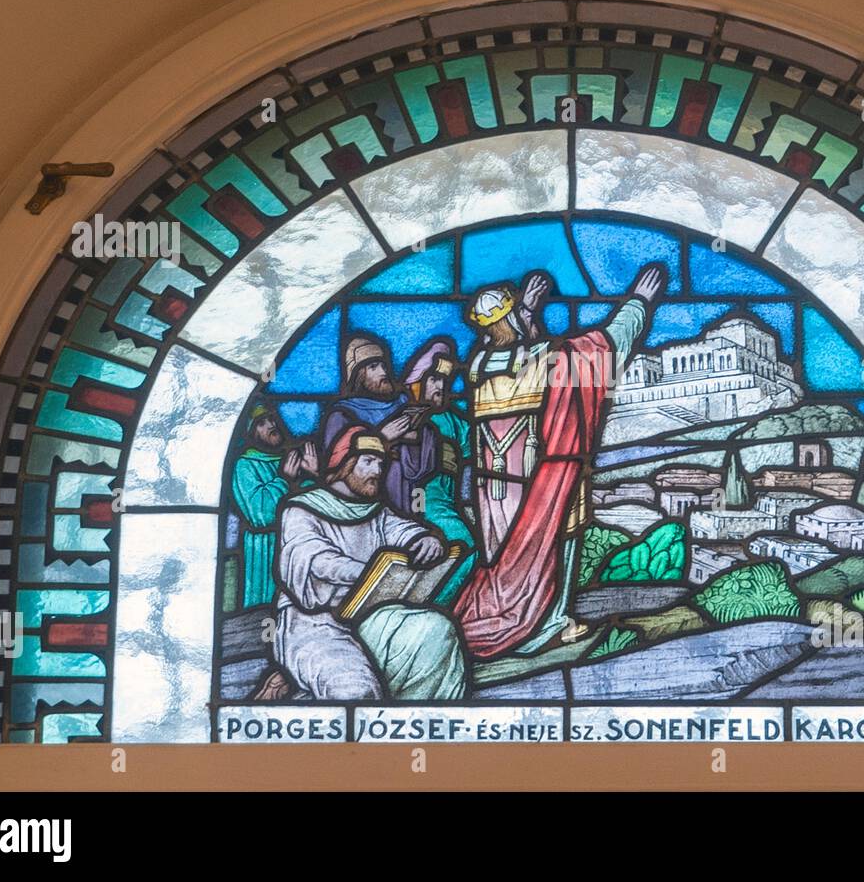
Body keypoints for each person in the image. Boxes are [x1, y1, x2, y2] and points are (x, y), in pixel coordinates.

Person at [454, 264, 665, 658]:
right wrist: (637, 303)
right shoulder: (549, 359)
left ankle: (507, 611)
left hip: (492, 487)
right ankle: (547, 624)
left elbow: (509, 347)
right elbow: (606, 344)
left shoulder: (480, 367)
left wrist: (526, 314)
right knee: (551, 544)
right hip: (545, 480)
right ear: (514, 318)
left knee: (503, 555)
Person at [270, 424, 467, 700]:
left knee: (436, 632)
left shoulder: (377, 512)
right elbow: (315, 560)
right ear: (345, 463)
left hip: (371, 616)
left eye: (380, 463)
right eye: (368, 461)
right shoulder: (302, 509)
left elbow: (404, 530)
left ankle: (418, 730)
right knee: (356, 693)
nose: (377, 471)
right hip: (314, 624)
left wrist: (426, 540)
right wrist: (370, 572)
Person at [396, 339, 477, 605]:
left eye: (444, 380)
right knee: (464, 541)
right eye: (433, 380)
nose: (440, 386)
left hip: (450, 499)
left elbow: (470, 466)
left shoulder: (456, 421)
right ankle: (437, 604)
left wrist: (469, 506)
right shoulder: (403, 417)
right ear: (417, 383)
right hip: (422, 498)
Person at [230, 405, 317, 607]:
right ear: (251, 431)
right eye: (261, 423)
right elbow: (260, 514)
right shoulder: (246, 465)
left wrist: (314, 476)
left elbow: (312, 507)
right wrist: (284, 479)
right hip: (266, 549)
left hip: (299, 548)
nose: (271, 425)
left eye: (271, 419)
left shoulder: (290, 458)